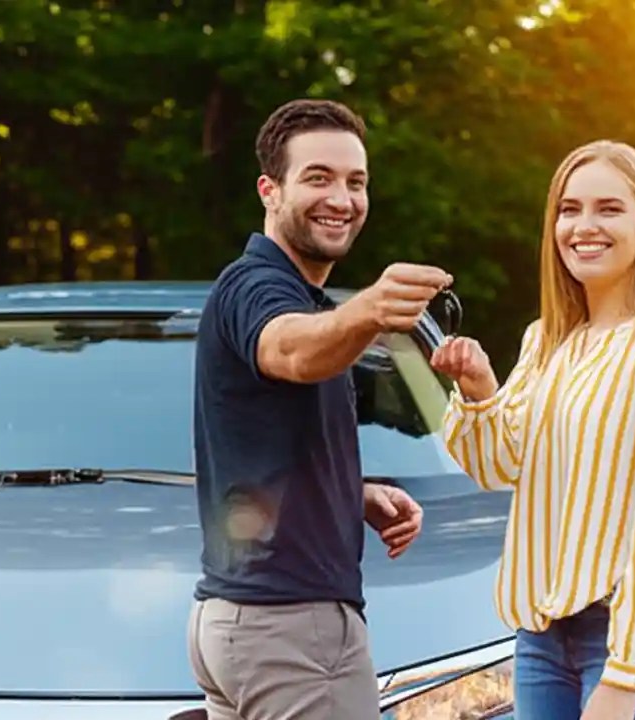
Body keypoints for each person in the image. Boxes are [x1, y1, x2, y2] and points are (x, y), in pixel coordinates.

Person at [431, 140, 635, 720]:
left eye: (609, 209)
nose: (583, 226)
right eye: (569, 209)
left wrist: (625, 676)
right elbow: (498, 464)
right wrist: (479, 389)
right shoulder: (547, 340)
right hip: (543, 635)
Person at [187, 98, 453, 720]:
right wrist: (371, 307)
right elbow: (291, 352)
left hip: (238, 622)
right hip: (290, 630)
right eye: (318, 178)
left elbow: (257, 435)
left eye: (355, 182)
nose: (342, 197)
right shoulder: (257, 286)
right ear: (269, 190)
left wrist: (347, 492)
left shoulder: (304, 296)